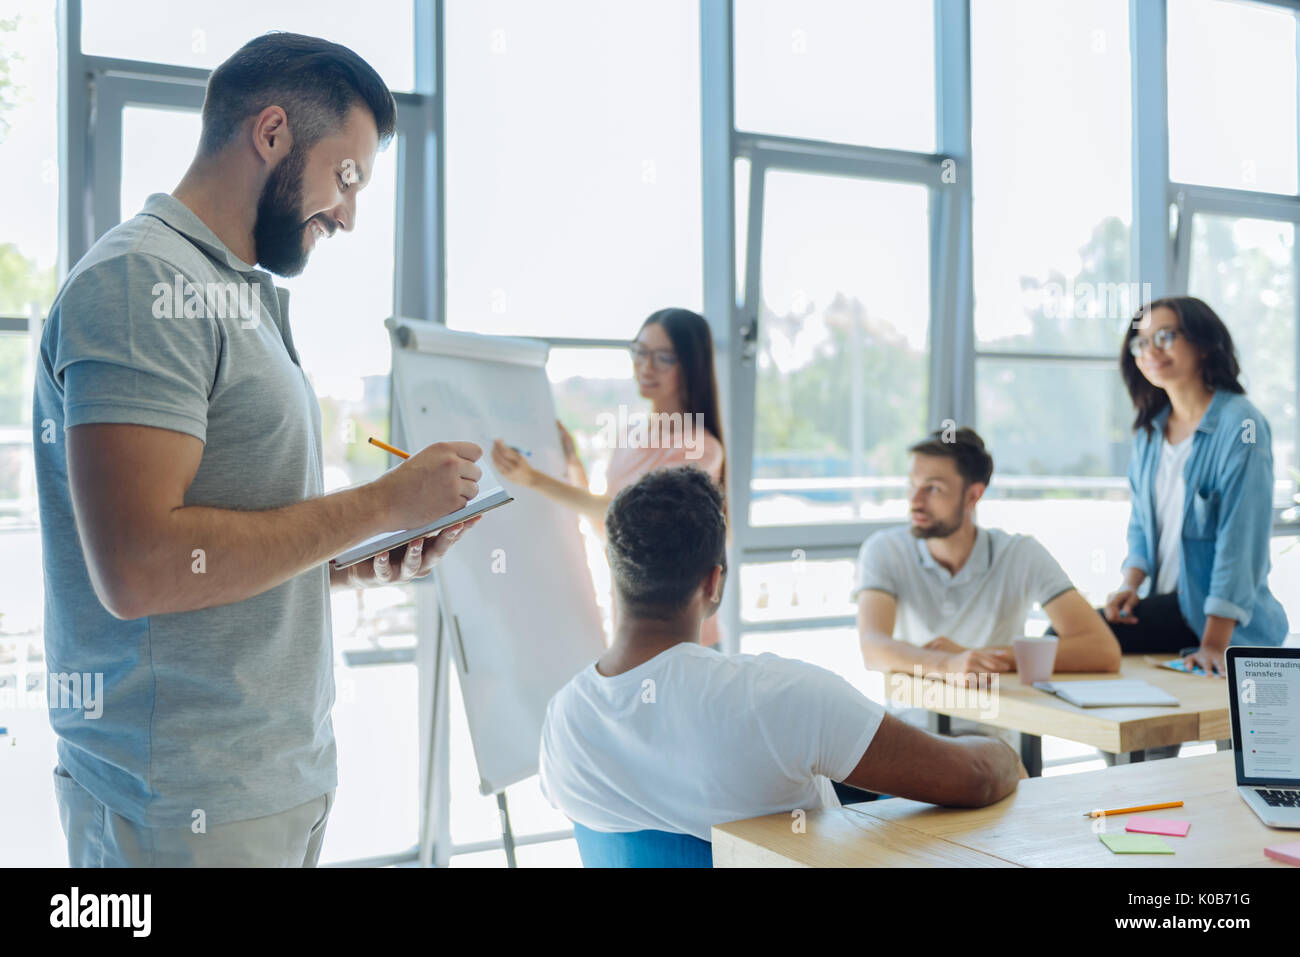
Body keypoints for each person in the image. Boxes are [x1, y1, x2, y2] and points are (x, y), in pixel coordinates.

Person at [34, 34, 484, 866]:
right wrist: (383, 502)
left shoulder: (234, 290)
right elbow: (139, 565)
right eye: (345, 177)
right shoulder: (141, 284)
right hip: (181, 803)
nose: (349, 214)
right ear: (272, 132)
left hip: (272, 784)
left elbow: (216, 552)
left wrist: (345, 562)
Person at [539, 467, 1024, 847]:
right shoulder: (779, 695)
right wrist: (1003, 753)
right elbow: (975, 780)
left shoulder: (563, 717)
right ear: (713, 581)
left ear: (614, 567)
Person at [492, 307, 726, 645]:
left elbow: (634, 519)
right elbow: (606, 525)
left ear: (690, 365)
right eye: (640, 352)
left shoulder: (700, 449)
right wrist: (573, 464)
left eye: (662, 358)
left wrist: (534, 480)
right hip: (630, 629)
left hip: (686, 641)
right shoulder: (629, 437)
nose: (645, 367)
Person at [1104, 297, 1288, 677]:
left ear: (1205, 344)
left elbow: (1241, 543)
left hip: (1214, 619)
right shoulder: (1150, 433)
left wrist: (1214, 645)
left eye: (1165, 337)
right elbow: (1141, 524)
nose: (1150, 350)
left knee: (1069, 635)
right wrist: (1130, 585)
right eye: (1141, 342)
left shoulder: (1241, 424)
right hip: (1166, 604)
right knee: (1070, 637)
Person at [855, 427, 1122, 682]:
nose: (915, 501)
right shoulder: (884, 550)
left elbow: (1102, 650)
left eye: (933, 488)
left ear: (973, 496)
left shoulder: (1020, 555)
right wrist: (949, 665)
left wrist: (980, 659)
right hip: (907, 723)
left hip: (992, 724)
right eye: (912, 485)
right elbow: (873, 647)